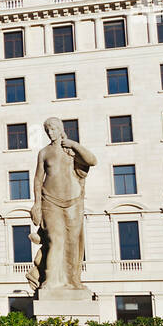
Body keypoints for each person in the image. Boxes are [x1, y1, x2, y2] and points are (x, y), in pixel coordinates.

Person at [31, 118, 98, 293]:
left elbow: (92, 160)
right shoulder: (44, 153)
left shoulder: (71, 150)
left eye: (52, 129)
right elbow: (38, 179)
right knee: (55, 239)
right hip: (50, 201)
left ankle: (73, 280)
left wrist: (74, 145)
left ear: (60, 129)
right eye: (47, 130)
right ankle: (51, 280)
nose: (50, 133)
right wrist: (36, 204)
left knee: (72, 242)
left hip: (73, 201)